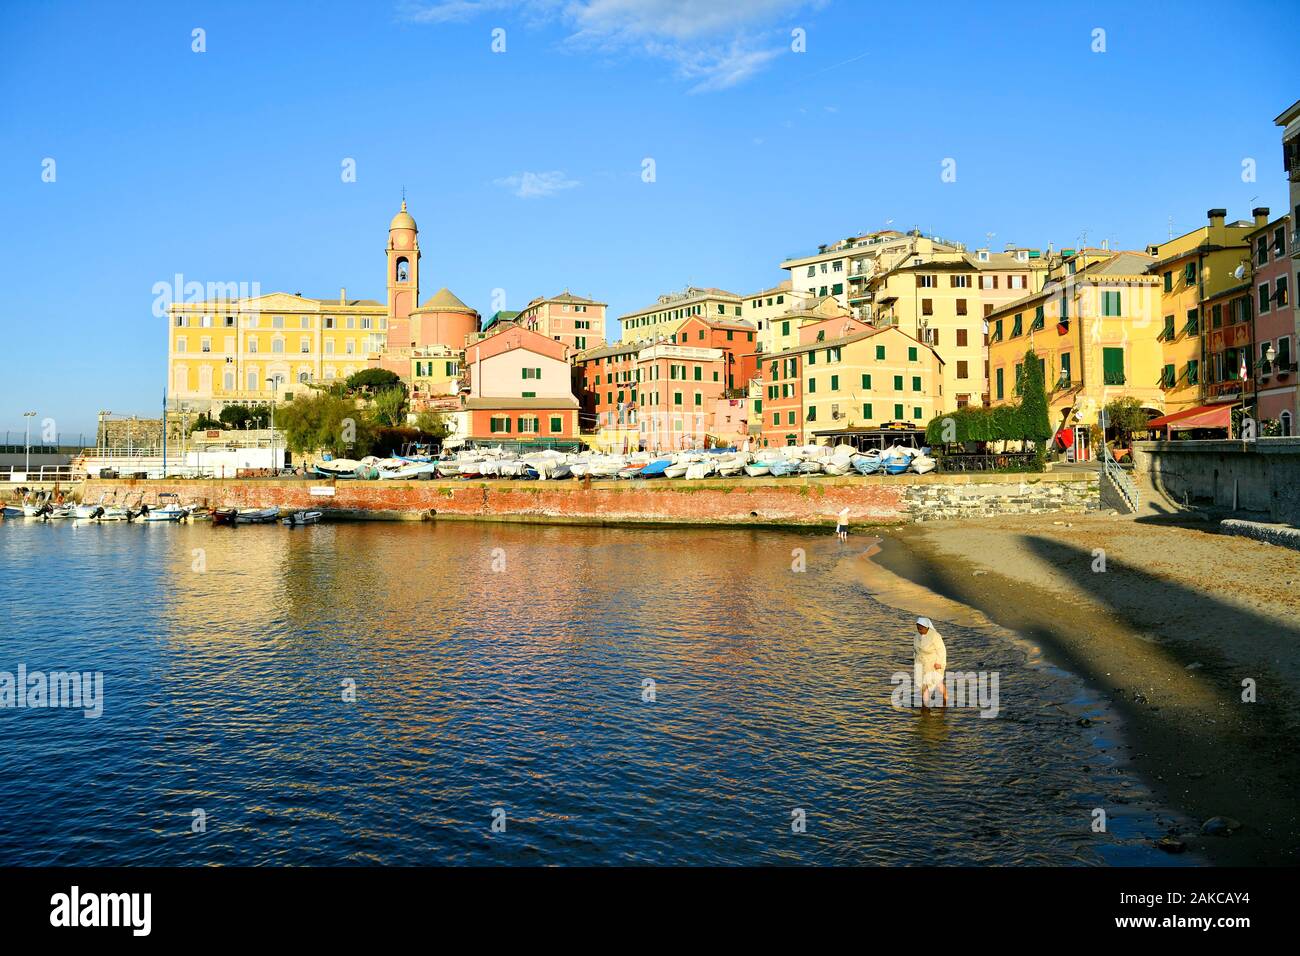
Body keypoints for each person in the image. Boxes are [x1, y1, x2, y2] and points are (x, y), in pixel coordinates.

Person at [913, 616, 948, 709]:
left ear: (926, 627)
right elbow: (915, 650)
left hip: (933, 664)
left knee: (938, 683)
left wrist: (939, 663)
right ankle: (925, 705)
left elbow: (942, 650)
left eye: (921, 628)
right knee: (924, 686)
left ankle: (945, 698)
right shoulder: (917, 636)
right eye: (918, 628)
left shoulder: (935, 636)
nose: (919, 630)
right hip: (921, 664)